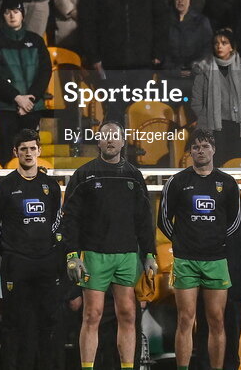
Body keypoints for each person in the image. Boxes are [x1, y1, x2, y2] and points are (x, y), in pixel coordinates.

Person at [60, 121, 157, 370]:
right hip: (94, 255)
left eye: (115, 136)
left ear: (123, 141)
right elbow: (70, 219)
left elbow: (144, 219)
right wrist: (72, 254)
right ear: (99, 142)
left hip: (126, 256)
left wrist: (149, 254)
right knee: (92, 315)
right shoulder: (83, 174)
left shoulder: (134, 175)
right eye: (105, 136)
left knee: (128, 314)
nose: (111, 140)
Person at [158, 128, 241, 370]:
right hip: (186, 260)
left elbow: (235, 221)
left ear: (213, 150)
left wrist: (215, 240)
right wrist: (182, 241)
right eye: (195, 147)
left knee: (216, 320)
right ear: (190, 152)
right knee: (185, 319)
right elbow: (163, 219)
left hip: (216, 259)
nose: (200, 151)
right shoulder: (177, 181)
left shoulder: (227, 183)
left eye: (205, 146)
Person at [0, 129, 63, 370]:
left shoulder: (50, 186)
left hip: (45, 263)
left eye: (32, 148)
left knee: (47, 321)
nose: (29, 153)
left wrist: (48, 250)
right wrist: (9, 251)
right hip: (16, 263)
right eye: (23, 149)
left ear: (39, 151)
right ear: (15, 152)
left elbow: (57, 220)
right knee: (13, 322)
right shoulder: (5, 186)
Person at [0, 0, 51, 161]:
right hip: (5, 108)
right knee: (7, 154)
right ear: (2, 15)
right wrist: (17, 99)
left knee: (31, 155)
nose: (12, 15)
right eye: (7, 12)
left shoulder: (36, 41)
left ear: (23, 14)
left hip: (31, 107)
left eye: (16, 11)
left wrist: (31, 98)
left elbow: (45, 72)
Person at [191, 28, 241, 159]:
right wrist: (205, 120)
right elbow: (197, 102)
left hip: (240, 127)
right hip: (213, 129)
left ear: (232, 47)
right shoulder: (203, 69)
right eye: (216, 43)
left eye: (224, 43)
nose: (219, 46)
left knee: (237, 167)